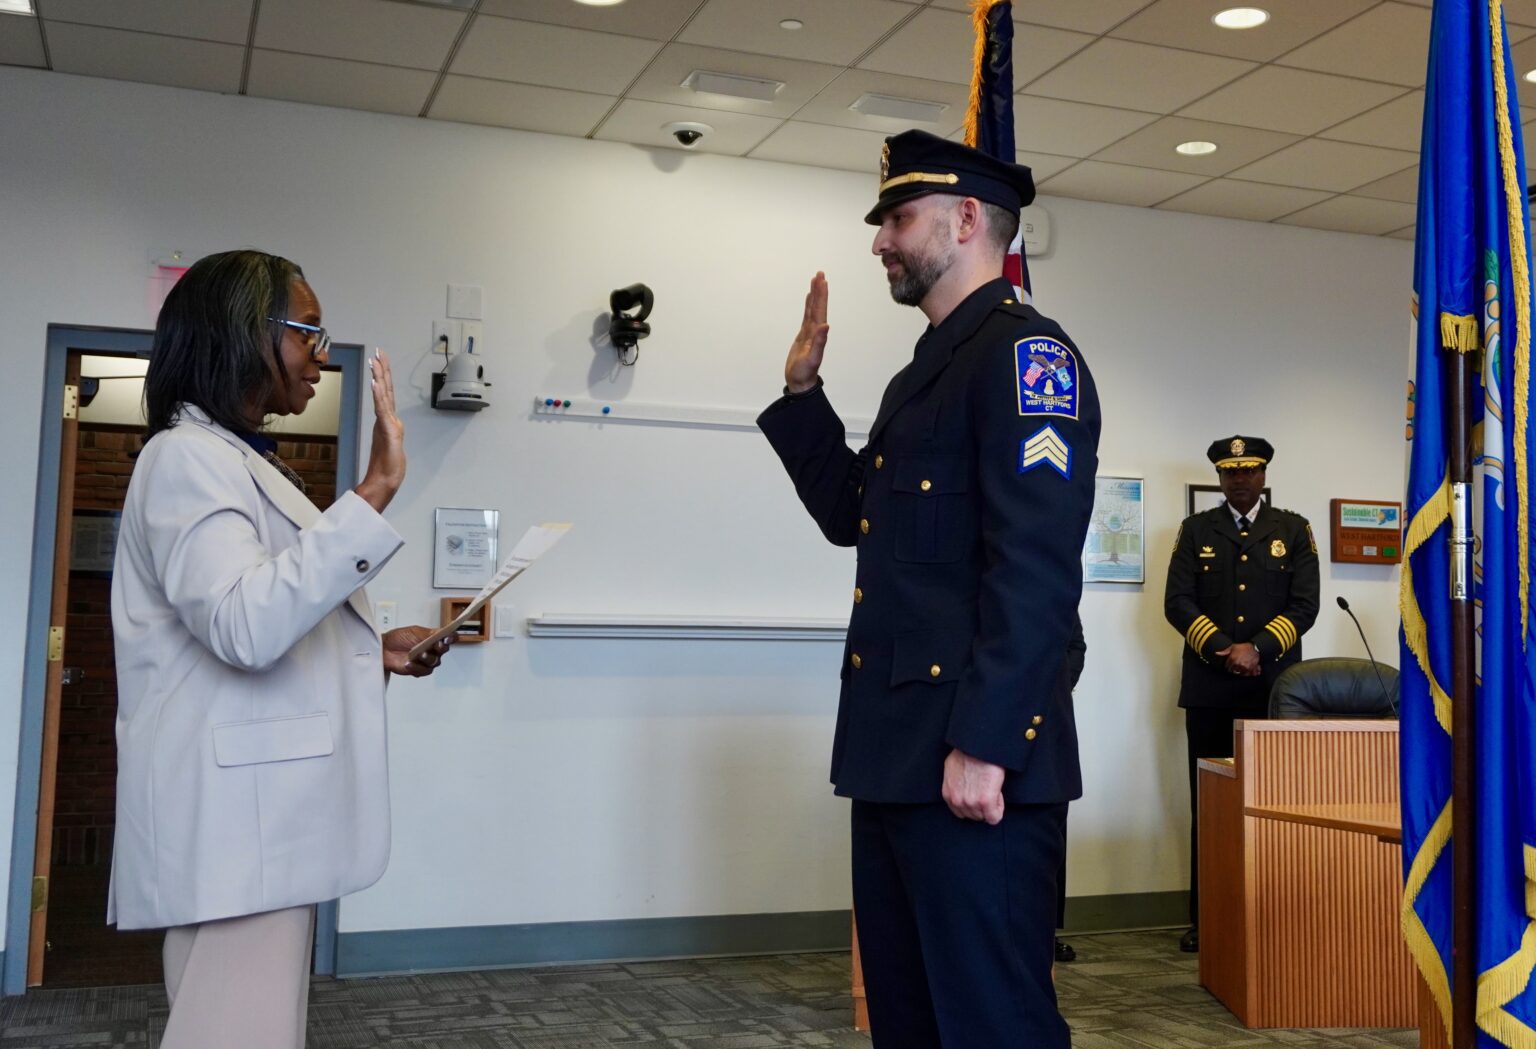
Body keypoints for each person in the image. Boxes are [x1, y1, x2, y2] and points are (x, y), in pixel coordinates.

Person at [758, 129, 1100, 1048]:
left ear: (965, 218)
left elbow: (1034, 573)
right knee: (908, 1023)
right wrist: (802, 395)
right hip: (899, 759)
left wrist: (986, 745)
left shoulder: (1027, 361)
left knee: (993, 1025)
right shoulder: (929, 369)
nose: (880, 242)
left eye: (898, 218)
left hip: (972, 766)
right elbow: (857, 517)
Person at [109, 250, 452, 1049]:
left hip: (253, 829)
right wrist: (371, 494)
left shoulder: (225, 459)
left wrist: (373, 649)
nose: (323, 353)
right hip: (239, 833)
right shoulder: (185, 460)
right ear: (242, 335)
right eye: (308, 330)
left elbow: (266, 609)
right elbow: (244, 623)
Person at [1163, 435, 1319, 953]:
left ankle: (1269, 914)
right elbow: (1177, 602)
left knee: (1270, 804)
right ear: (1220, 478)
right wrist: (1226, 649)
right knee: (1208, 806)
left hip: (1276, 691)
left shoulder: (1293, 530)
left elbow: (1305, 607)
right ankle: (1205, 920)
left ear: (1264, 476)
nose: (1240, 480)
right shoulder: (1194, 531)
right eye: (1231, 473)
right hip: (1210, 689)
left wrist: (1258, 649)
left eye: (1250, 471)